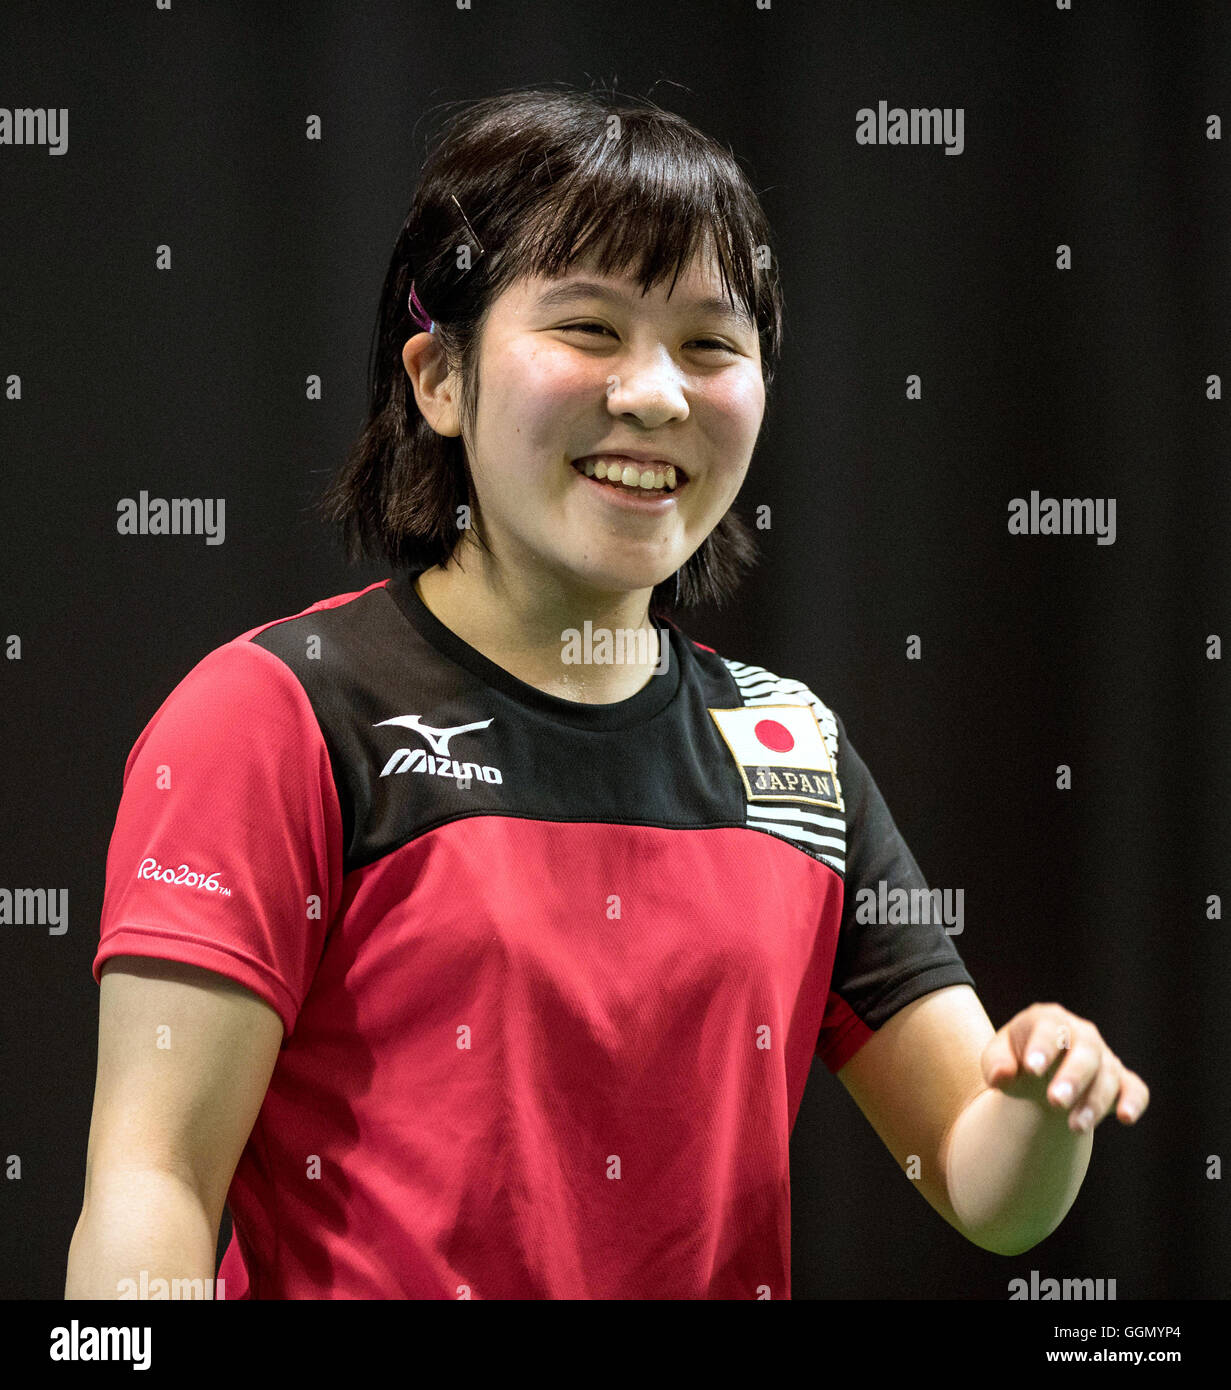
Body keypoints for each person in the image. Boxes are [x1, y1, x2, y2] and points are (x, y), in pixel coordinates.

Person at [66, 85, 1149, 1301]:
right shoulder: (274, 714)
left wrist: (1046, 1101)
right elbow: (148, 1185)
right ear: (436, 377)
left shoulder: (789, 748)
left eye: (709, 343)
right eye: (586, 329)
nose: (655, 395)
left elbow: (979, 1184)